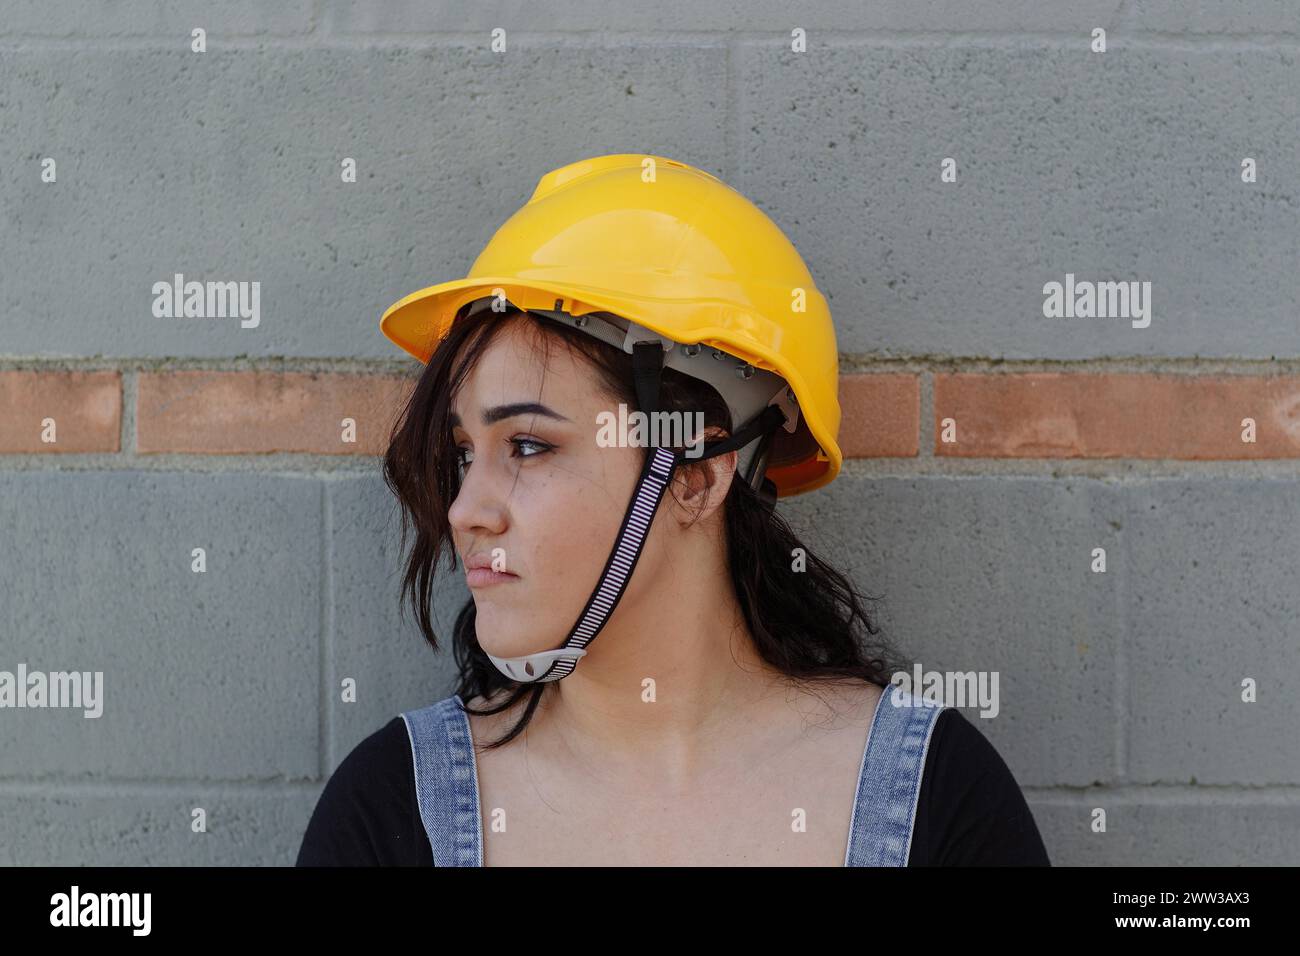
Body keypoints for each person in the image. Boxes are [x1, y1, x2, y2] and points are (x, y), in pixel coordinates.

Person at [296, 154, 1049, 866]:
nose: (465, 510)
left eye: (527, 446)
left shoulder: (935, 802)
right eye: (465, 453)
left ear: (697, 477)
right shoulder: (392, 811)